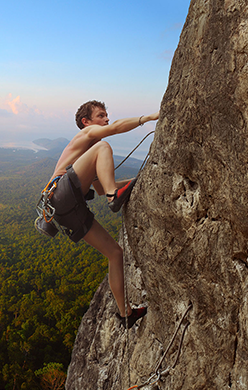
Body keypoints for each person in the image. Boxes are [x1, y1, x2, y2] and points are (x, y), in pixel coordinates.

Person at [38, 100, 159, 329]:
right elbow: (113, 132)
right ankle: (118, 196)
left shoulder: (87, 159)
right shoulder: (88, 136)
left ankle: (125, 314)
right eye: (101, 115)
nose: (106, 120)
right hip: (63, 195)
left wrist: (137, 181)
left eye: (107, 116)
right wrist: (149, 118)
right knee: (103, 146)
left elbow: (103, 189)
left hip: (65, 209)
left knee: (115, 253)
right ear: (87, 122)